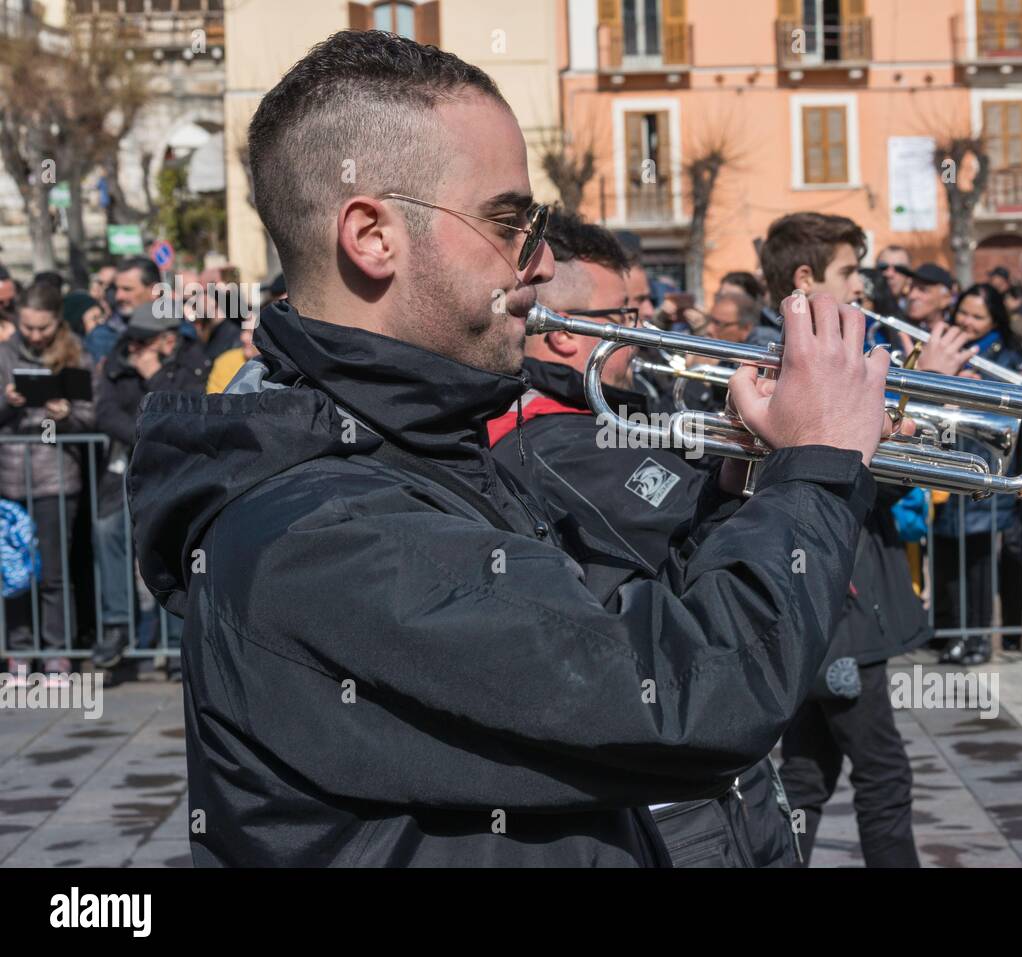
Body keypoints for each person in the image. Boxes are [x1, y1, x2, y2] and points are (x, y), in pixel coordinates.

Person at [128, 30, 890, 868]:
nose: (544, 261)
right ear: (372, 235)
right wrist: (817, 465)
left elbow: (635, 621)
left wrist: (757, 476)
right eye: (508, 221)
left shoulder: (430, 454)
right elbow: (684, 701)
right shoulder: (319, 532)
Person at [486, 210, 800, 867]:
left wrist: (742, 450)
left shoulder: (587, 417)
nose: (642, 333)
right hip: (680, 796)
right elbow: (706, 546)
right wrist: (816, 453)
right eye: (624, 316)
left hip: (697, 766)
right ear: (567, 335)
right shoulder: (555, 439)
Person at [761, 211, 927, 867]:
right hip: (841, 605)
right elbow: (850, 484)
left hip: (821, 602)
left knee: (806, 776)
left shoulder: (809, 362)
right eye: (850, 272)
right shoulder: (800, 368)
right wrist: (903, 425)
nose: (863, 285)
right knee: (884, 775)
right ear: (807, 278)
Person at [90, 302, 210, 673]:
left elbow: (184, 411)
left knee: (169, 543)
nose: (133, 347)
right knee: (108, 529)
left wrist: (156, 375)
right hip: (126, 465)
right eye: (131, 338)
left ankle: (176, 645)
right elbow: (105, 410)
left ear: (167, 339)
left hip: (173, 470)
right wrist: (142, 438)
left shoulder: (191, 359)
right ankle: (116, 627)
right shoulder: (119, 358)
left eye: (143, 340)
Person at [0, 284, 97, 682]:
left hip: (56, 476)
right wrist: (8, 401)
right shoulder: (4, 355)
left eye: (43, 328)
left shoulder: (77, 353)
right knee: (14, 571)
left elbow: (92, 415)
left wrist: (67, 415)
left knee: (54, 572)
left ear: (57, 321)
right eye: (28, 326)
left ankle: (58, 653)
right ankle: (20, 650)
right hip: (9, 477)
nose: (35, 335)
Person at [930, 284, 1022, 665]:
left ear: (994, 320)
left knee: (979, 558)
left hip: (986, 464)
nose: (967, 323)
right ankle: (956, 633)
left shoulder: (1005, 353)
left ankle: (980, 637)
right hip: (951, 462)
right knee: (950, 554)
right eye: (963, 314)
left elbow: (1013, 405)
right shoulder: (949, 344)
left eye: (978, 317)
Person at [875, 245, 911, 318]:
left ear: (909, 277)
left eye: (899, 269)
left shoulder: (916, 314)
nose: (889, 274)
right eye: (883, 267)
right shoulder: (863, 309)